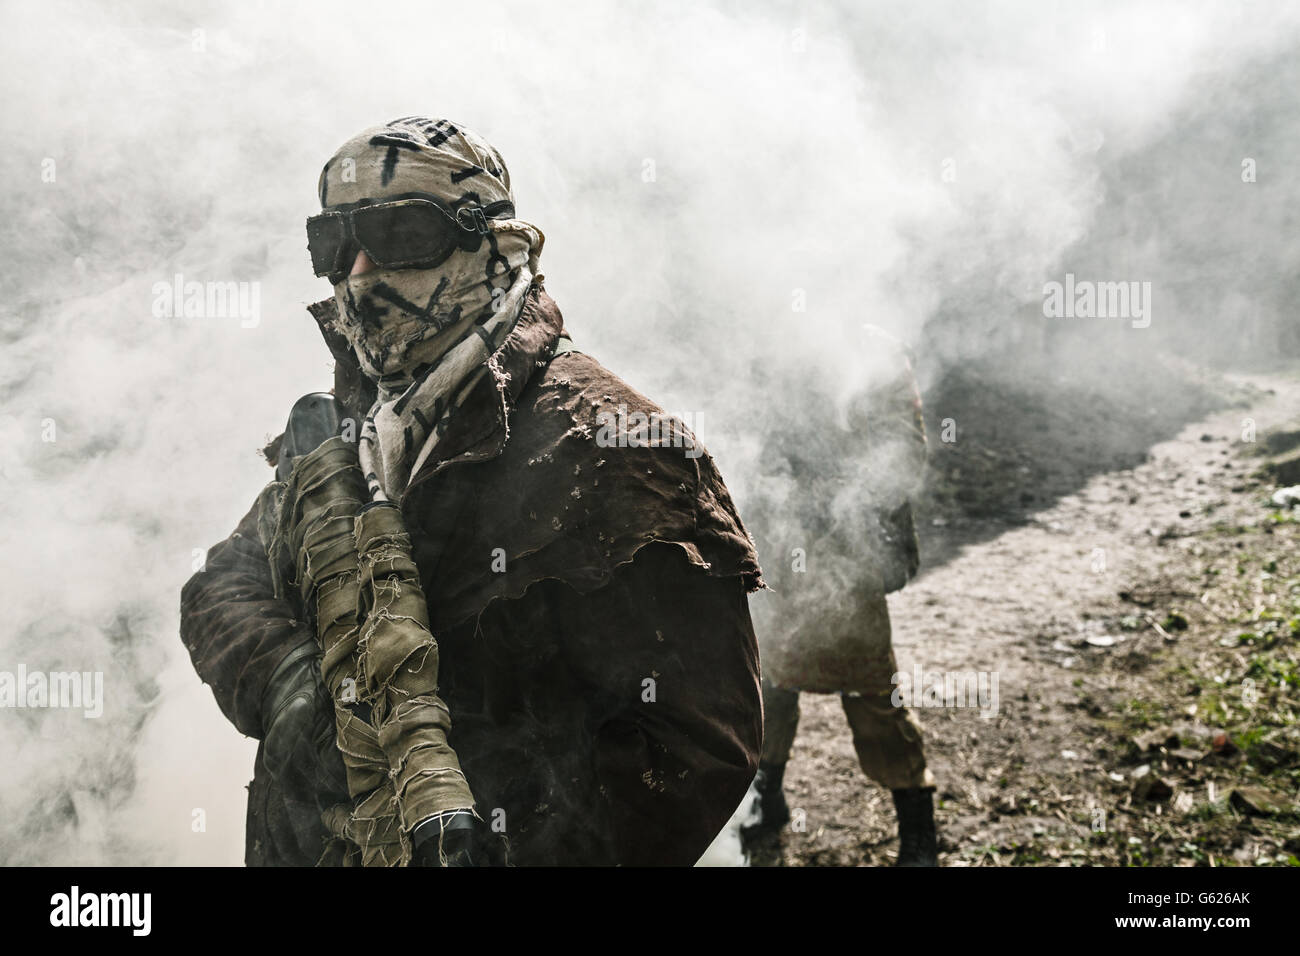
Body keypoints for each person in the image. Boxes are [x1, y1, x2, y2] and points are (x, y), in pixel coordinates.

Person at [180, 116, 764, 866]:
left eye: (400, 236)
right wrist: (302, 699)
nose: (358, 272)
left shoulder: (617, 450)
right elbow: (223, 585)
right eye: (334, 243)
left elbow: (691, 750)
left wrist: (490, 831)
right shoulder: (357, 422)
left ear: (495, 244)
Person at [743, 327, 938, 866]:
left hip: (851, 544)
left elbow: (905, 448)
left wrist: (851, 498)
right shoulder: (770, 344)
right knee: (768, 680)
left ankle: (917, 823)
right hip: (778, 538)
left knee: (872, 686)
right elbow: (749, 428)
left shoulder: (875, 349)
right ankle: (766, 796)